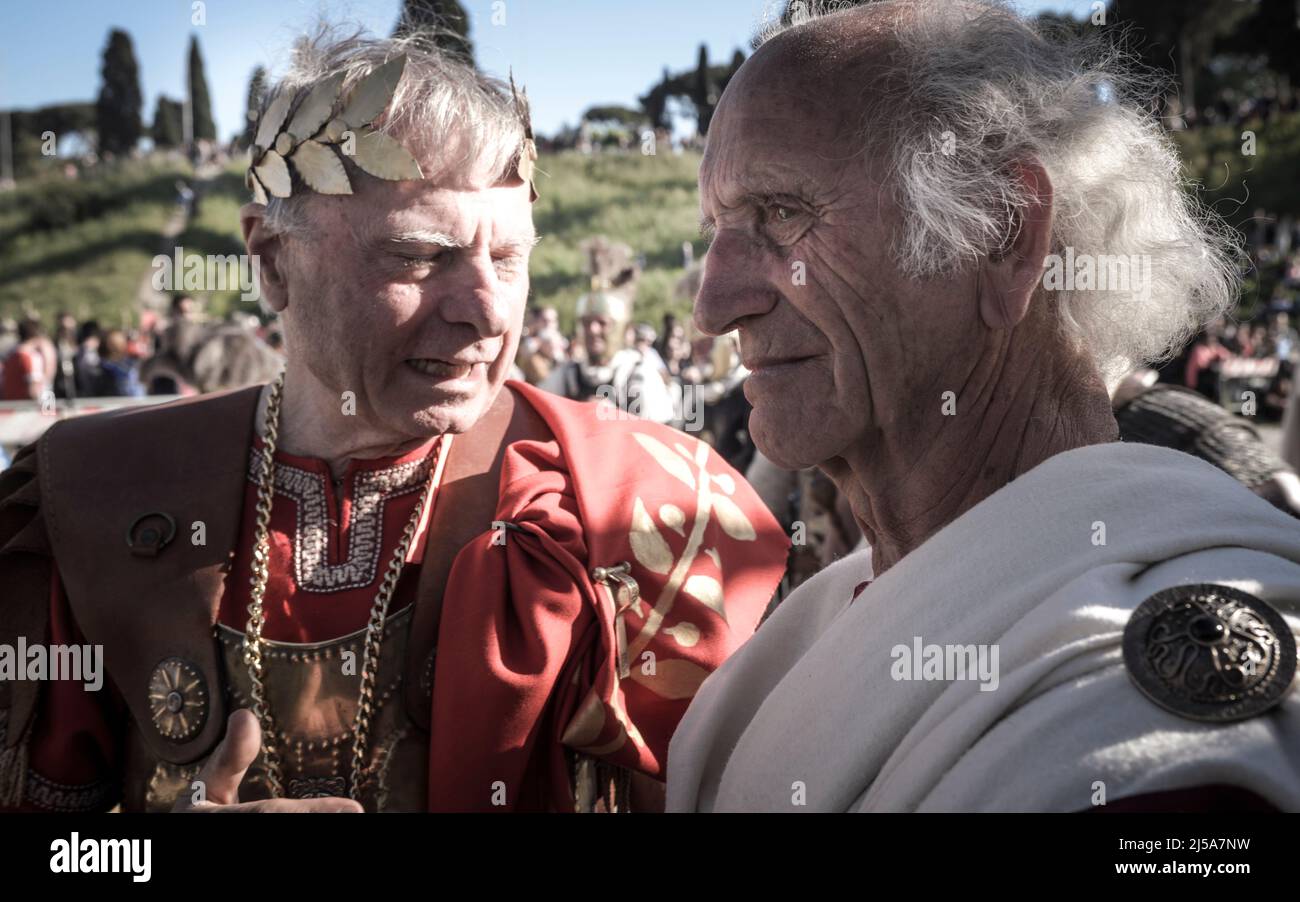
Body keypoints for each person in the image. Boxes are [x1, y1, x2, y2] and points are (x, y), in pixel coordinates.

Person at [0, 28, 786, 814]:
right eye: (420, 255)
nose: (485, 312)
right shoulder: (92, 497)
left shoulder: (637, 506)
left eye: (508, 259)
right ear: (272, 259)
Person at [666, 0, 1300, 813]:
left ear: (1004, 232)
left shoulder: (1154, 704)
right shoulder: (818, 623)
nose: (712, 307)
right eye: (716, 227)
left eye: (783, 214)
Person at [1, 319, 49, 402]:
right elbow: (34, 390)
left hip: (9, 407)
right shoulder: (31, 357)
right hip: (26, 409)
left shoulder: (11, 356)